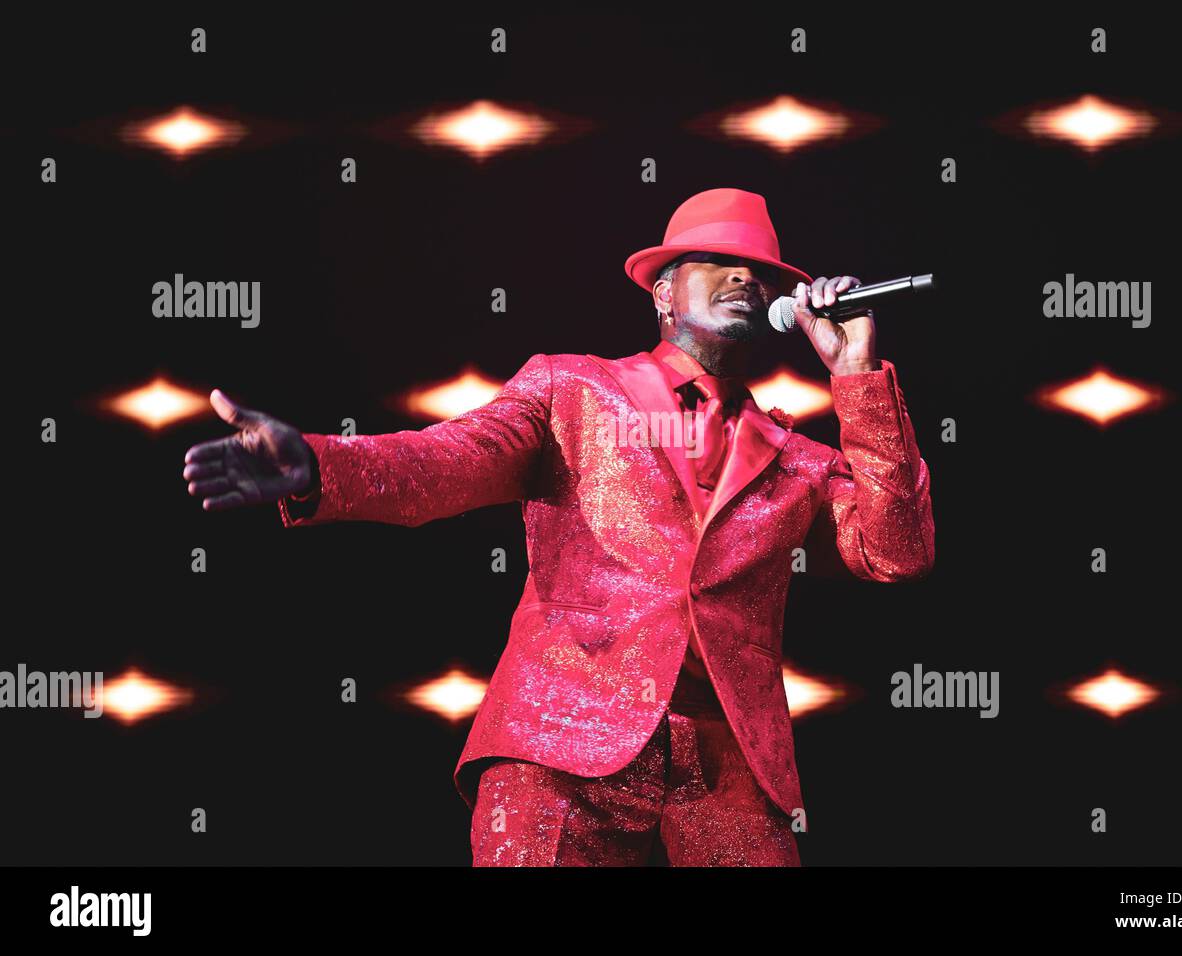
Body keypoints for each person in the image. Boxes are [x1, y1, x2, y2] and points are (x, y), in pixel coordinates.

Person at [182, 187, 935, 865]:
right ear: (664, 294)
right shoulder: (573, 388)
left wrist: (856, 376)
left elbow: (898, 553)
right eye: (715, 261)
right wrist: (319, 465)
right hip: (561, 739)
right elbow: (446, 461)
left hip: (728, 764)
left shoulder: (796, 457)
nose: (744, 278)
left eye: (758, 272)